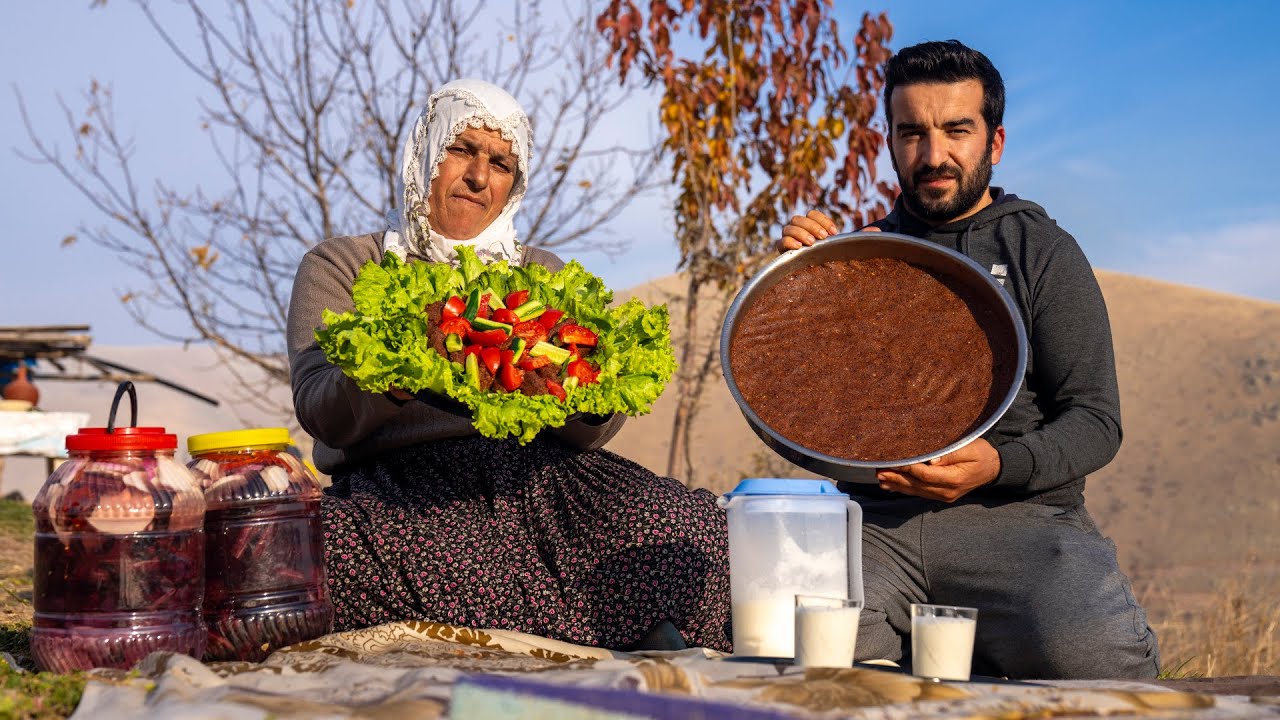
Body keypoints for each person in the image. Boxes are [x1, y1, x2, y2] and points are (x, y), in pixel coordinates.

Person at [287, 79, 730, 652]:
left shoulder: (540, 271)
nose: (478, 176)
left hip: (544, 485)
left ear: (513, 184)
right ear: (425, 152)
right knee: (319, 554)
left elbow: (591, 430)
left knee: (685, 526)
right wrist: (400, 370)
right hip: (402, 493)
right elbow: (321, 408)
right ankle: (611, 627)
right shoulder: (344, 263)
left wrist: (577, 386)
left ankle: (592, 626)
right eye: (461, 149)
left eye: (500, 163)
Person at [778, 41, 1159, 679]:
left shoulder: (1041, 250)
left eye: (957, 130)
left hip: (1021, 523)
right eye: (912, 133)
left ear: (995, 142)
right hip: (879, 528)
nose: (933, 156)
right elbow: (799, 409)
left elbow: (1096, 419)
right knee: (789, 645)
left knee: (1099, 665)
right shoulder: (858, 256)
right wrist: (796, 284)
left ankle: (982, 643)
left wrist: (999, 465)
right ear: (891, 141)